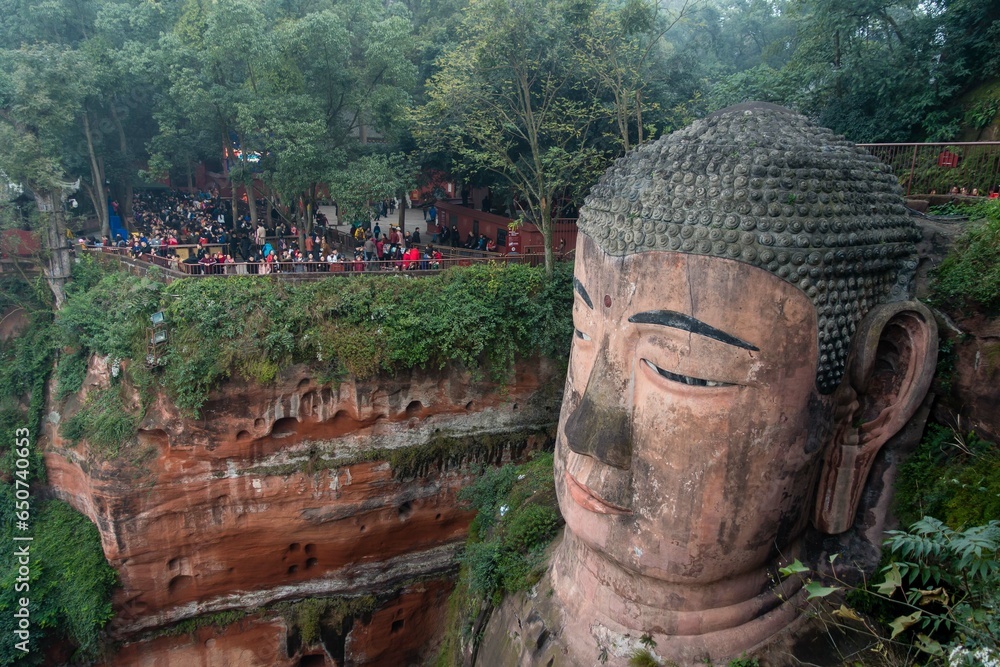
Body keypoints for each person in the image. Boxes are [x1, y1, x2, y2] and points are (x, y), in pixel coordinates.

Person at [478, 103, 938, 666]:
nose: (585, 432)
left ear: (872, 401)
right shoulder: (509, 574)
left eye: (682, 370)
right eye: (582, 329)